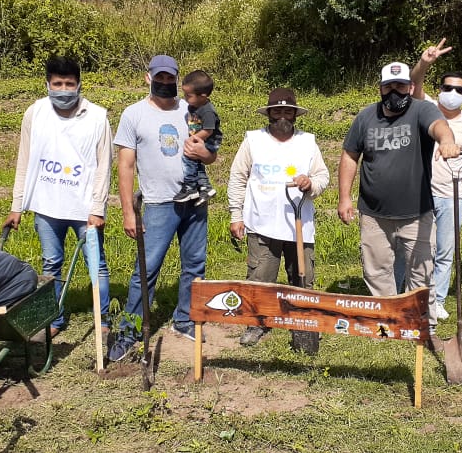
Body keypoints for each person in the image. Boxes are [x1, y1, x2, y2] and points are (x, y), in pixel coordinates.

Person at [337, 61, 459, 342]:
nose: (395, 91)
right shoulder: (365, 117)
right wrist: (344, 198)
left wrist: (447, 141)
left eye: (401, 85)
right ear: (380, 88)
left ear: (411, 87)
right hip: (373, 213)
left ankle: (422, 325)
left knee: (421, 271)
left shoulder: (421, 110)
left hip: (416, 212)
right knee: (377, 270)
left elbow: (440, 126)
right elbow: (349, 156)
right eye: (389, 86)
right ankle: (389, 324)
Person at [108, 55, 217, 362]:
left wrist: (205, 154)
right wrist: (128, 212)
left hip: (194, 200)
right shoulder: (133, 115)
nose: (166, 83)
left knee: (194, 265)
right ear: (149, 78)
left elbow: (211, 154)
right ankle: (130, 330)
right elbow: (126, 166)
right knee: (146, 270)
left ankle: (185, 320)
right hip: (157, 203)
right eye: (161, 78)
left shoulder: (191, 110)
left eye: (171, 79)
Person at [3, 56, 113, 340]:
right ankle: (55, 317)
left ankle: (103, 319)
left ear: (79, 85)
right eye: (58, 84)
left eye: (69, 84)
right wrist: (17, 206)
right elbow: (24, 160)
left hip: (83, 207)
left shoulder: (97, 117)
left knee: (95, 264)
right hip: (46, 206)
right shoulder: (36, 112)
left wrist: (97, 208)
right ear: (48, 84)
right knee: (51, 263)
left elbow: (104, 165)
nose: (64, 89)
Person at [227, 88, 330, 352]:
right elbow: (238, 177)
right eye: (277, 111)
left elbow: (322, 177)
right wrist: (236, 215)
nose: (282, 116)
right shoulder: (253, 141)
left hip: (299, 224)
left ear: (295, 115)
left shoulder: (307, 142)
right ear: (269, 113)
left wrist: (310, 185)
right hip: (261, 222)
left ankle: (303, 321)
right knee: (260, 276)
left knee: (303, 276)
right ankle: (256, 322)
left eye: (287, 111)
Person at [408, 38, 462, 320]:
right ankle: (412, 294)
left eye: (458, 89)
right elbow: (414, 84)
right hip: (419, 191)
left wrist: (459, 168)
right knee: (417, 247)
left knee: (444, 250)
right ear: (439, 90)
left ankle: (437, 300)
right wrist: (424, 63)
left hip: (451, 195)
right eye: (447, 87)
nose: (452, 92)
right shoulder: (425, 108)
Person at [173, 70, 223, 206]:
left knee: (188, 157)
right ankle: (205, 188)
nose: (185, 98)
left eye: (188, 95)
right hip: (203, 138)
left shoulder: (207, 111)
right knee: (196, 163)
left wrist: (193, 139)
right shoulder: (196, 105)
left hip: (210, 140)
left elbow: (208, 130)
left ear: (203, 96)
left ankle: (190, 187)